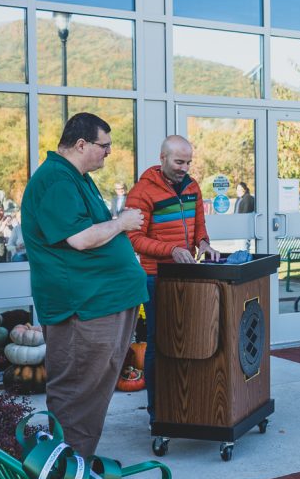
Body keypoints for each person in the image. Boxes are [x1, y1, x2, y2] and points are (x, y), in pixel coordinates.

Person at [20, 112, 147, 457]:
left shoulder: (77, 178)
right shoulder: (56, 181)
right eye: (104, 145)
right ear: (80, 144)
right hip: (81, 306)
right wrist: (122, 222)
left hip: (101, 301)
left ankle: (77, 461)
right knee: (77, 388)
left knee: (93, 388)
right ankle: (65, 469)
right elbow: (80, 238)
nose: (109, 152)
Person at [125, 135, 220, 426]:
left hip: (187, 275)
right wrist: (171, 250)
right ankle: (158, 413)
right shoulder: (142, 192)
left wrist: (203, 243)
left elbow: (199, 225)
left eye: (189, 162)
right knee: (158, 344)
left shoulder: (192, 186)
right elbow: (133, 238)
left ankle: (188, 405)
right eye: (179, 162)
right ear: (163, 158)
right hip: (156, 278)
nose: (185, 168)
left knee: (190, 340)